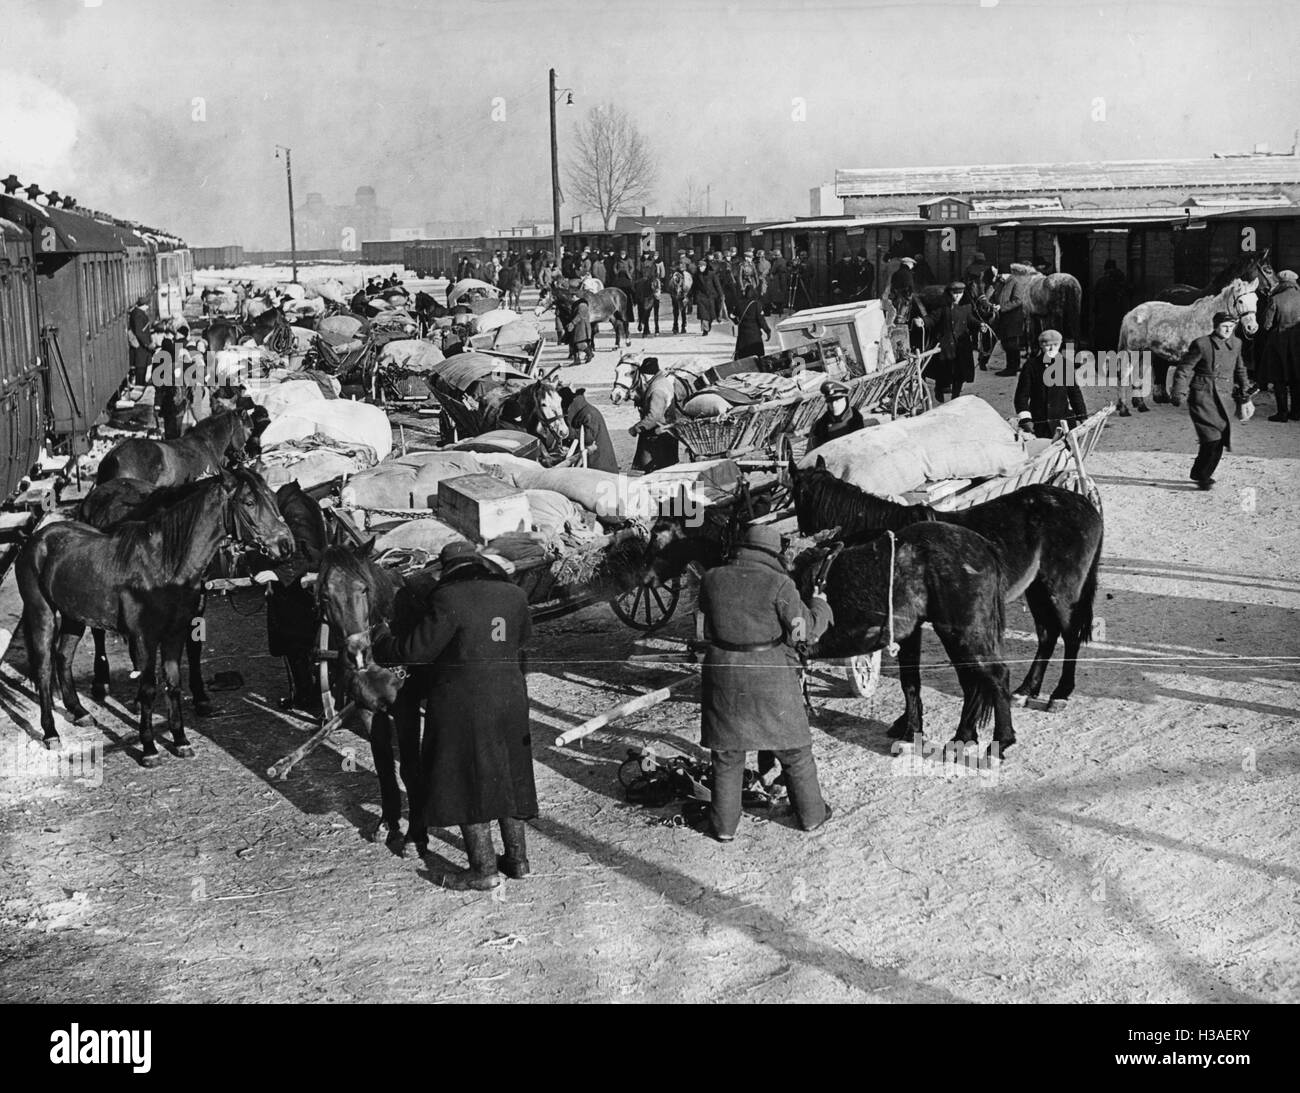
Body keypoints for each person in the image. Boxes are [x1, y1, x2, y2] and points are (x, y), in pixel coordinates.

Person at [371, 541, 535, 891]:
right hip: (512, 697)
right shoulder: (514, 595)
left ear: (447, 570)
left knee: (465, 779)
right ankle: (517, 860)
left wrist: (382, 639)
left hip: (463, 704)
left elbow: (415, 652)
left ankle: (483, 869)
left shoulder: (448, 598)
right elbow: (520, 640)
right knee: (509, 774)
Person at [698, 524, 833, 842]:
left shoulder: (711, 578)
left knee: (727, 755)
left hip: (721, 672)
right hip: (768, 675)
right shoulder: (779, 584)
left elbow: (705, 624)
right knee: (795, 752)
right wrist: (821, 605)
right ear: (773, 554)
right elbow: (804, 633)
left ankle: (724, 827)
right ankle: (812, 816)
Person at [1170, 310, 1251, 491]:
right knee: (1211, 438)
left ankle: (1201, 473)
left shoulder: (1236, 344)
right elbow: (1184, 369)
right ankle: (1202, 476)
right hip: (1203, 396)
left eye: (1232, 326)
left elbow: (1240, 369)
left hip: (1225, 398)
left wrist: (1245, 389)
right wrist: (1179, 392)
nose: (1228, 329)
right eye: (1224, 326)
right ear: (1215, 326)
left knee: (1220, 439)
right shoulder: (1202, 344)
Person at [917, 280, 987, 402]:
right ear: (949, 293)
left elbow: (970, 320)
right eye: (954, 293)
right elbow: (933, 318)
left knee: (960, 373)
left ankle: (956, 396)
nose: (957, 296)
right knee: (944, 371)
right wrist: (923, 321)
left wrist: (980, 325)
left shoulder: (966, 307)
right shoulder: (943, 307)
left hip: (961, 345)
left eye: (960, 294)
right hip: (946, 343)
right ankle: (939, 390)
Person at [1014, 329, 1088, 439]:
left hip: (1063, 421)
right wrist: (1026, 419)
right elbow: (1021, 396)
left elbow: (1074, 393)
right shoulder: (1031, 366)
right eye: (1047, 345)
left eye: (1055, 345)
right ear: (1041, 346)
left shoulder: (1065, 365)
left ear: (1060, 345)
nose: (1052, 349)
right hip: (1039, 421)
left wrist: (1082, 416)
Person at [628, 357, 685, 471]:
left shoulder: (657, 389)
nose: (642, 378)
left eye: (643, 375)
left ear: (647, 374)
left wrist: (636, 428)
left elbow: (654, 416)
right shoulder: (661, 381)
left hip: (658, 435)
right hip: (666, 431)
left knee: (654, 469)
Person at [1263, 271, 1300, 421]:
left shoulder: (1275, 298)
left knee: (1279, 378)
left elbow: (1266, 325)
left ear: (1281, 283)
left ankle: (1282, 413)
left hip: (1279, 342)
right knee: (1296, 377)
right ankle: (1296, 412)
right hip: (1298, 341)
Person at [558, 386, 618, 472]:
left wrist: (568, 434)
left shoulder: (588, 414)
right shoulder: (584, 410)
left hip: (597, 461)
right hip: (597, 458)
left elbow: (588, 439)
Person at [809, 380, 866, 450]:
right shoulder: (819, 426)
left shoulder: (856, 419)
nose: (834, 405)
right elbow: (811, 453)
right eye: (830, 402)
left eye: (837, 401)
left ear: (846, 400)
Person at [991, 269, 1028, 376]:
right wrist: (993, 303)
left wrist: (1001, 307)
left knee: (1011, 343)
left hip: (1013, 318)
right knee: (1006, 342)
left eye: (1002, 274)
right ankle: (1013, 366)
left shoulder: (1016, 282)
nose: (1000, 277)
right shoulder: (1003, 282)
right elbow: (996, 296)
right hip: (1005, 317)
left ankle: (1012, 368)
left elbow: (1018, 300)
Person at [1092, 259, 1129, 357]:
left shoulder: (1101, 281)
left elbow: (1096, 300)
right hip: (1118, 317)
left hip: (1103, 317)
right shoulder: (1122, 280)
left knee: (1103, 342)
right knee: (1115, 340)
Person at [731, 284, 770, 361]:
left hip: (742, 337)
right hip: (754, 336)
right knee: (757, 358)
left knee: (742, 358)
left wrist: (737, 322)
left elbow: (732, 316)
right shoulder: (756, 304)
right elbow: (761, 320)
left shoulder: (739, 303)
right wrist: (768, 331)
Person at [691, 259, 721, 335]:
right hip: (700, 296)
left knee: (710, 314)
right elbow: (693, 286)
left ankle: (708, 324)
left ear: (705, 266)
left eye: (702, 266)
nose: (700, 268)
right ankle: (705, 329)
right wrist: (689, 295)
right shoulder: (697, 275)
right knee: (703, 314)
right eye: (699, 266)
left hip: (710, 296)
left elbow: (717, 285)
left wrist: (721, 294)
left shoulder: (711, 274)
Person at [128, 294, 152, 386]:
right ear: (145, 305)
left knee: (142, 368)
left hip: (141, 348)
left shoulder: (137, 312)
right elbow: (139, 332)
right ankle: (140, 385)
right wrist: (147, 343)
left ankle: (140, 383)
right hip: (140, 348)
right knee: (141, 368)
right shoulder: (138, 315)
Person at [668, 260, 693, 334]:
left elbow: (689, 285)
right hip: (675, 294)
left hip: (683, 293)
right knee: (676, 310)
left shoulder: (687, 276)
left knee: (683, 310)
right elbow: (670, 286)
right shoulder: (674, 276)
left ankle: (683, 325)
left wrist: (686, 293)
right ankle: (675, 325)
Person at [565, 297, 593, 364]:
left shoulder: (582, 305)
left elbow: (579, 316)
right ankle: (577, 360)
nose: (572, 298)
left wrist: (572, 323)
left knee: (580, 344)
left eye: (573, 296)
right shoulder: (577, 305)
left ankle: (589, 354)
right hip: (577, 327)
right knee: (573, 344)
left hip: (581, 327)